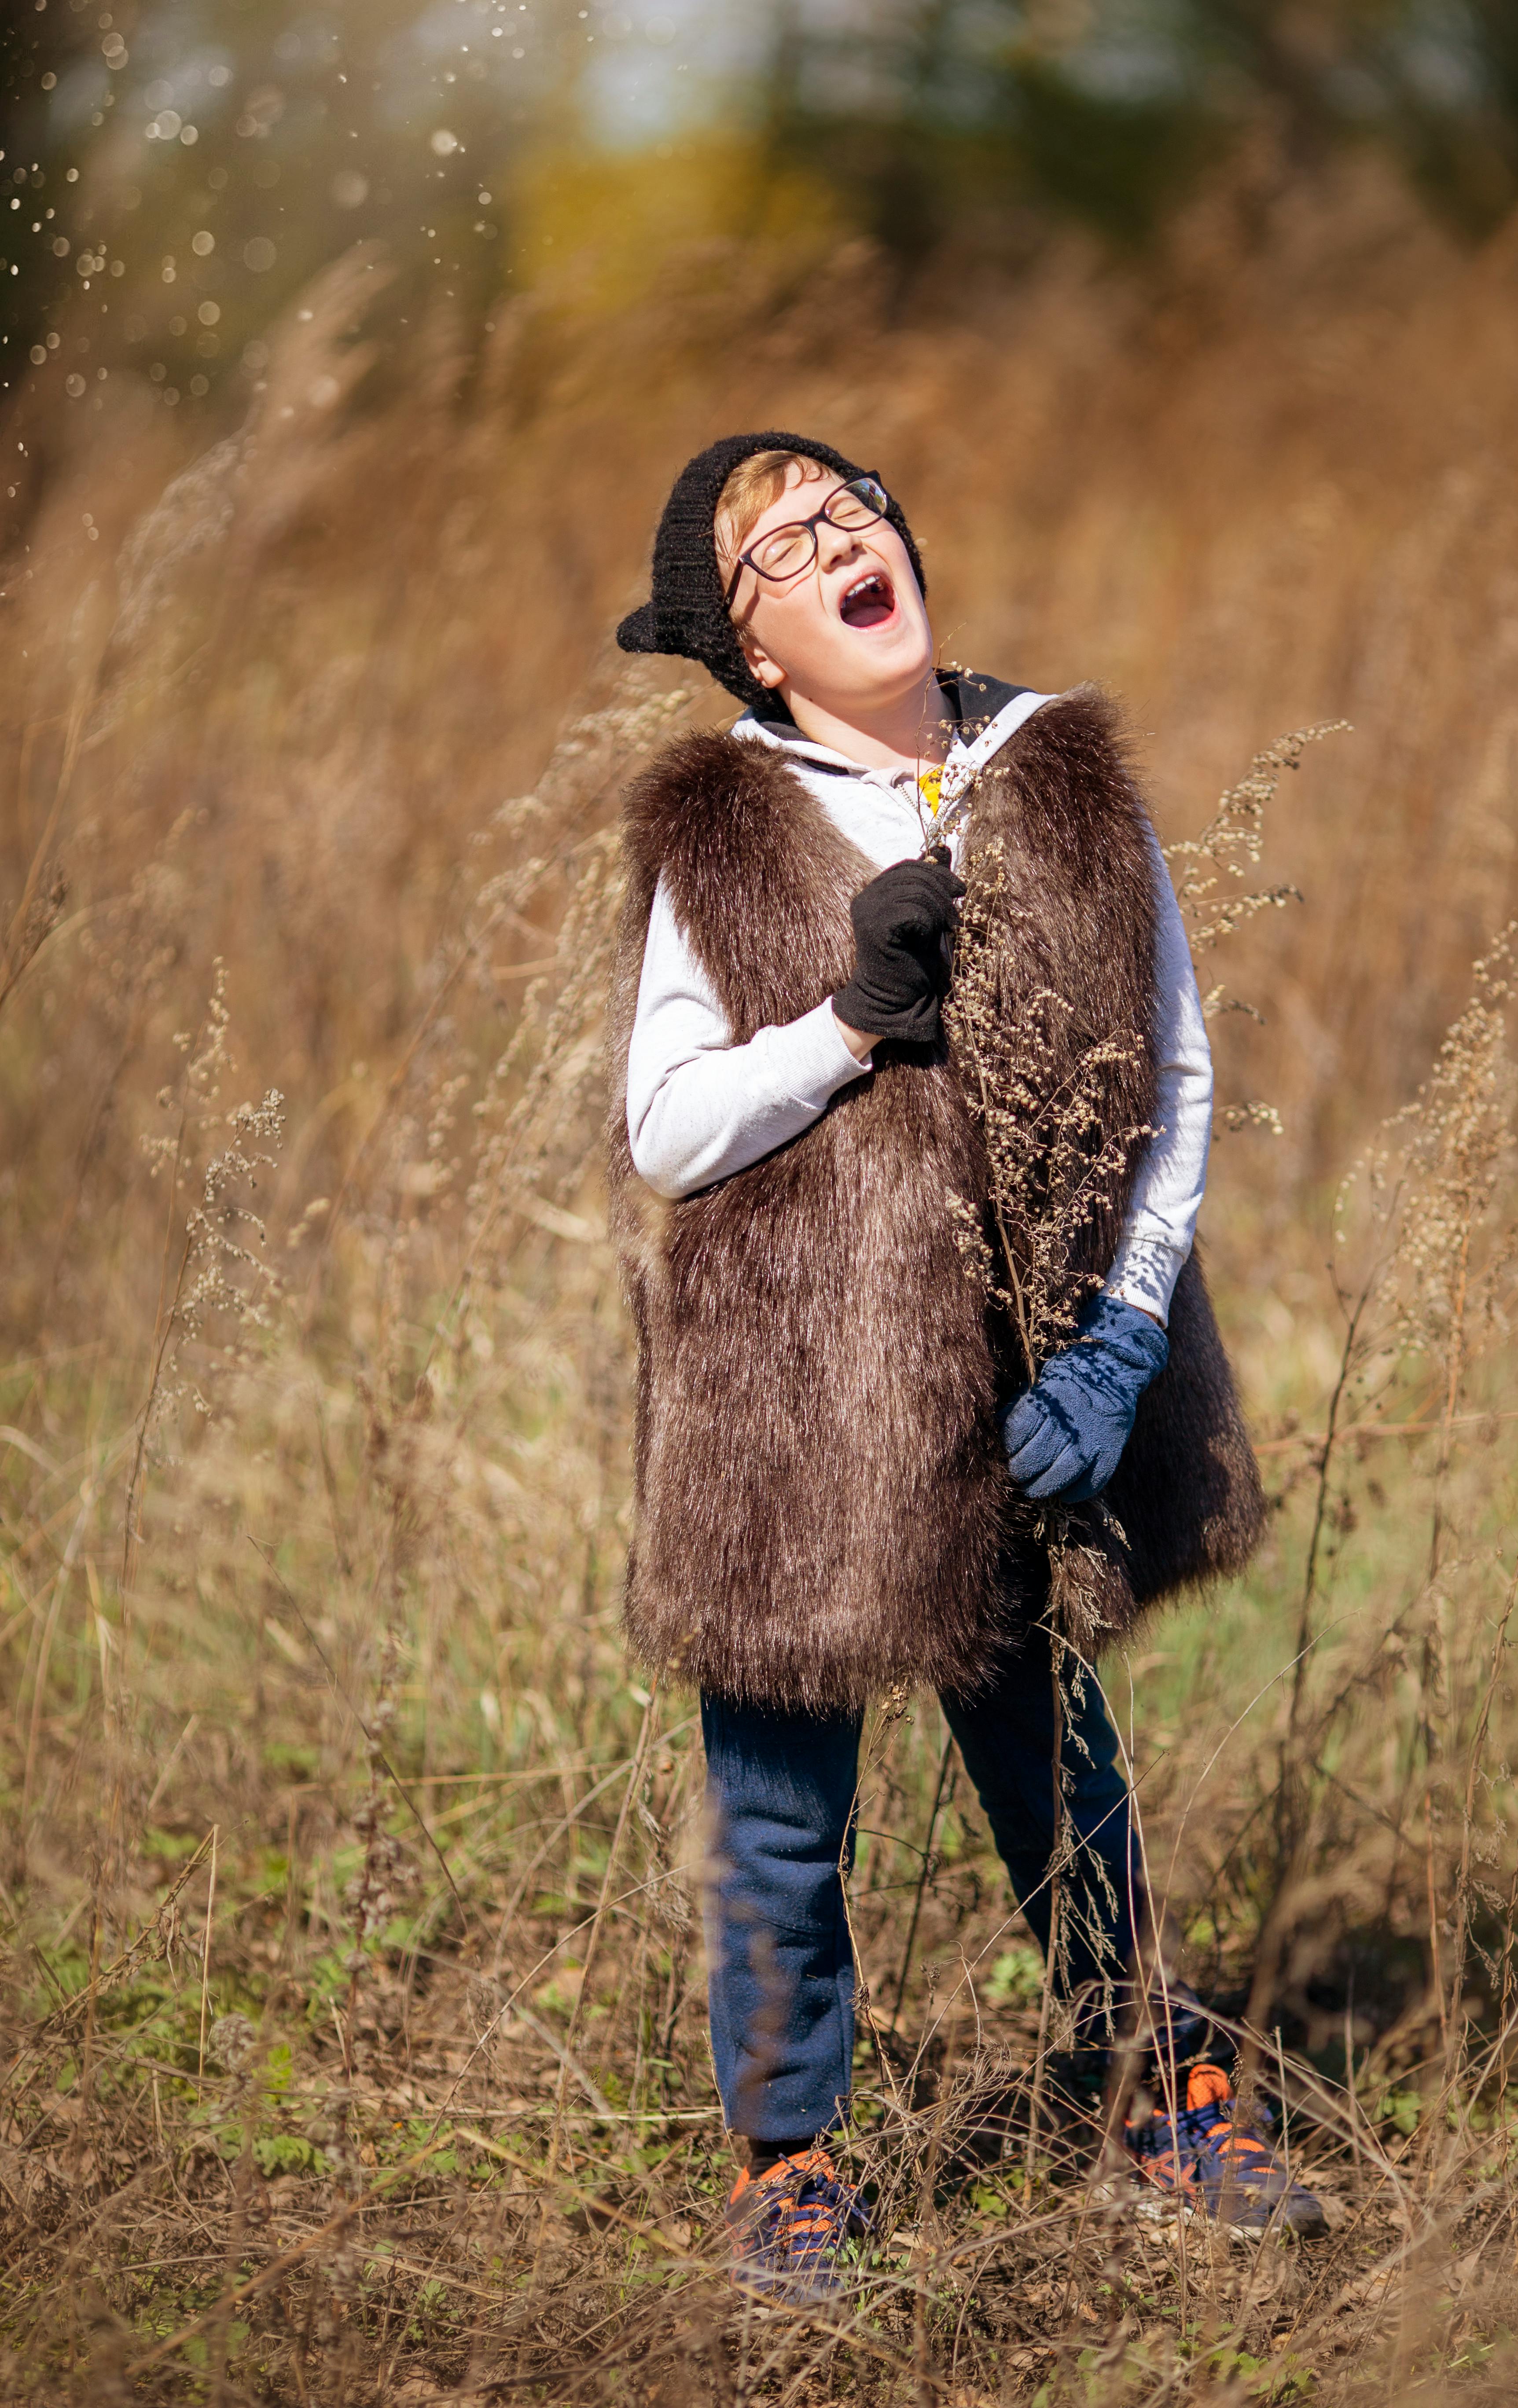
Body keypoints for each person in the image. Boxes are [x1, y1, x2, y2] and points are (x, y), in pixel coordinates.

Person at [606, 433, 1324, 2297]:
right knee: (780, 1813)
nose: (836, 540)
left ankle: (1160, 2089)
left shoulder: (1061, 771)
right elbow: (668, 1132)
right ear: (748, 645)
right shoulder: (721, 826)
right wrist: (847, 1022)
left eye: (849, 508)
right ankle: (789, 2160)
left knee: (1060, 1772)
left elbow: (1176, 1081)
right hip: (786, 1409)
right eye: (778, 547)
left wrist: (1125, 1336)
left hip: (1030, 1387)